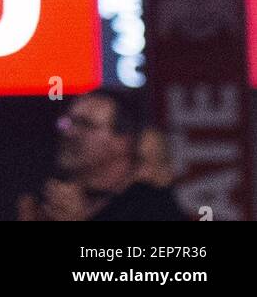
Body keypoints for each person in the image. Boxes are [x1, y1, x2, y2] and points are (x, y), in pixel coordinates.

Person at [16, 90, 190, 221]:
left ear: (122, 141)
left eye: (85, 124)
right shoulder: (46, 202)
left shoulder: (153, 209)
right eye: (67, 122)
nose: (68, 133)